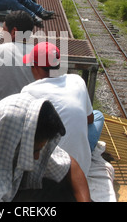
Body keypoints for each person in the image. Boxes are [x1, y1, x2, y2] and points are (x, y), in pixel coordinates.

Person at [21, 42, 105, 177]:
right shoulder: (77, 80)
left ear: (35, 67)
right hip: (81, 167)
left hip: (50, 169)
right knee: (98, 115)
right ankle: (87, 149)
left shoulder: (28, 91)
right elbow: (89, 119)